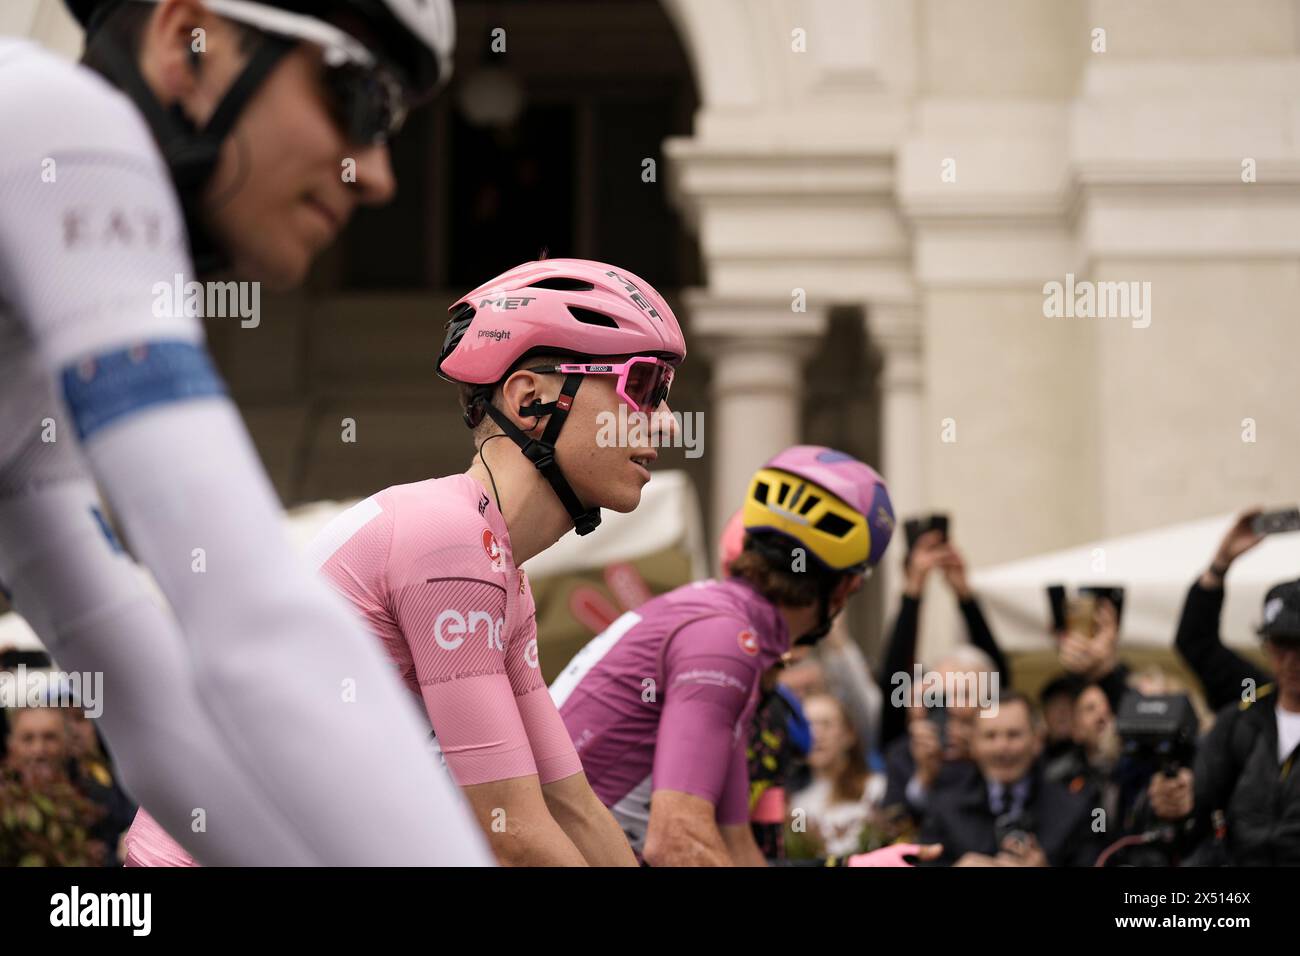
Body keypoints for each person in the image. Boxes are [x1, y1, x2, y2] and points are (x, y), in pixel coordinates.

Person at [0, 0, 489, 865]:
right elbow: (254, 621)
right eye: (359, 100)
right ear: (185, 43)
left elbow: (141, 686)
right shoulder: (62, 124)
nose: (378, 172)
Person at [126, 256, 682, 866]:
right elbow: (514, 832)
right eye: (644, 387)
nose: (668, 421)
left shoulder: (501, 573)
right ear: (531, 400)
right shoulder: (448, 543)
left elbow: (570, 806)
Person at [552, 445, 935, 866]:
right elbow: (679, 843)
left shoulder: (725, 626)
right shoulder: (727, 641)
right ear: (844, 590)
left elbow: (737, 847)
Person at [1175, 578, 1300, 864]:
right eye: (1283, 643)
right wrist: (1177, 804)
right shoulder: (1242, 719)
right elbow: (1197, 807)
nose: (1293, 659)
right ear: (1267, 645)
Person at [918, 692, 1103, 867]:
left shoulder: (1077, 809)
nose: (1002, 747)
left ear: (1037, 740)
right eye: (990, 736)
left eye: (1013, 735)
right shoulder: (943, 807)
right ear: (973, 744)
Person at [877, 529, 1009, 751]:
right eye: (939, 697)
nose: (951, 707)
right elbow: (894, 679)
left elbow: (998, 674)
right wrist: (913, 588)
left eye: (964, 694)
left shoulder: (1000, 758)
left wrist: (964, 593)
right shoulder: (905, 760)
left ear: (991, 701)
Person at [789, 693, 891, 857]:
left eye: (826, 724)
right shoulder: (797, 804)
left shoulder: (876, 789)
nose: (816, 735)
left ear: (849, 734)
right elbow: (797, 854)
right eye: (807, 725)